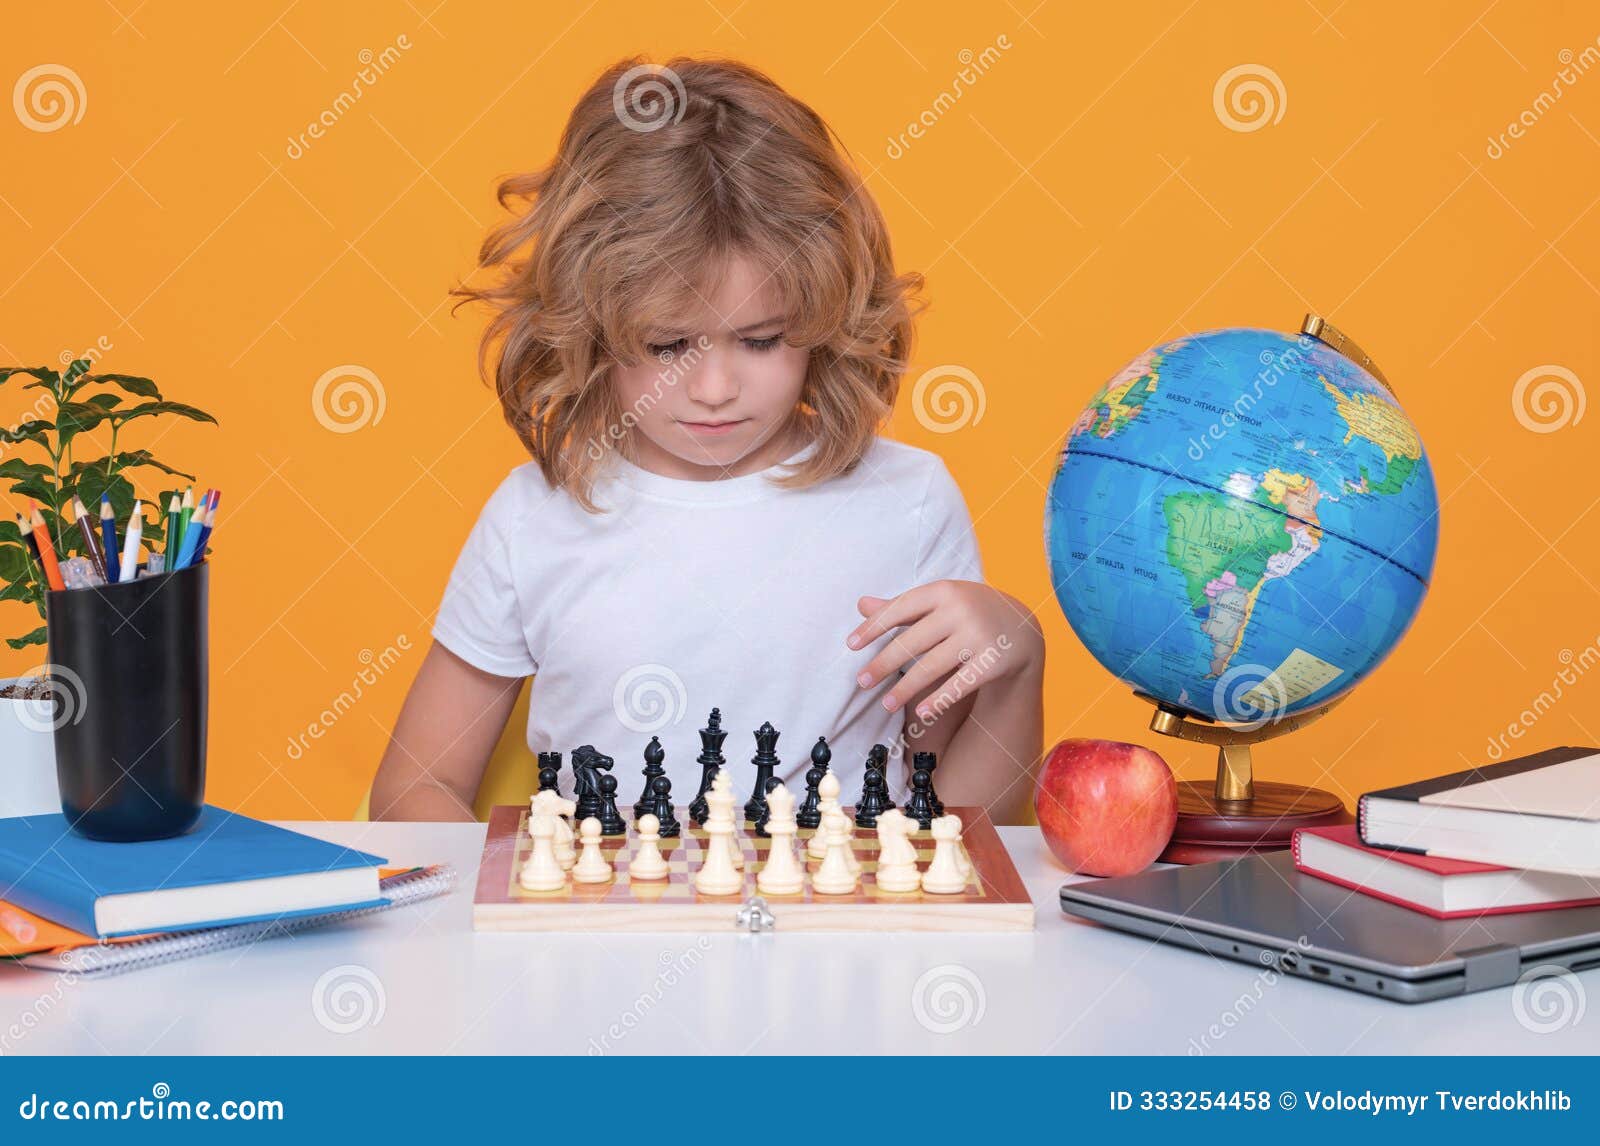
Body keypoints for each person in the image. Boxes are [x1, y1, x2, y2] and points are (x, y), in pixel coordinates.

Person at [372, 57, 1043, 824]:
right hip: (596, 933)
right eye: (666, 346)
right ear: (589, 326)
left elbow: (956, 831)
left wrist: (1017, 661)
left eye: (760, 340)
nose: (715, 388)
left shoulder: (909, 502)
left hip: (837, 935)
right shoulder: (534, 518)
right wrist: (524, 899)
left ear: (823, 318)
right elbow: (413, 789)